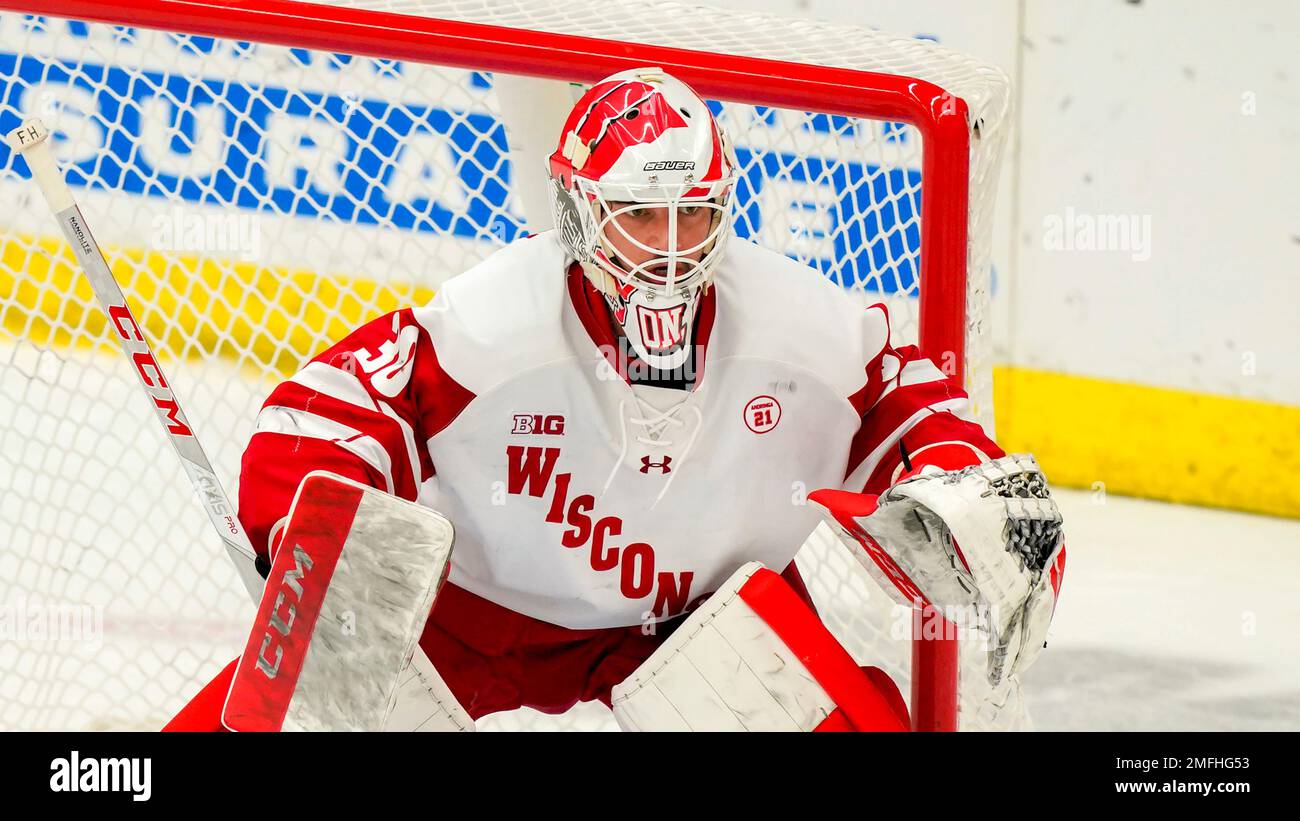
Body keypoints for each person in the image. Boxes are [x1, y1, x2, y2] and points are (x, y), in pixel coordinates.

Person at [165, 67, 1049, 731]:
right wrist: (310, 526)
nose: (670, 249)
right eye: (639, 214)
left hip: (702, 620)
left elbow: (920, 410)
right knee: (277, 704)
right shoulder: (496, 321)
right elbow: (321, 415)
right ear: (580, 211)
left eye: (693, 214)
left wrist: (955, 477)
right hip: (478, 618)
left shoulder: (797, 326)